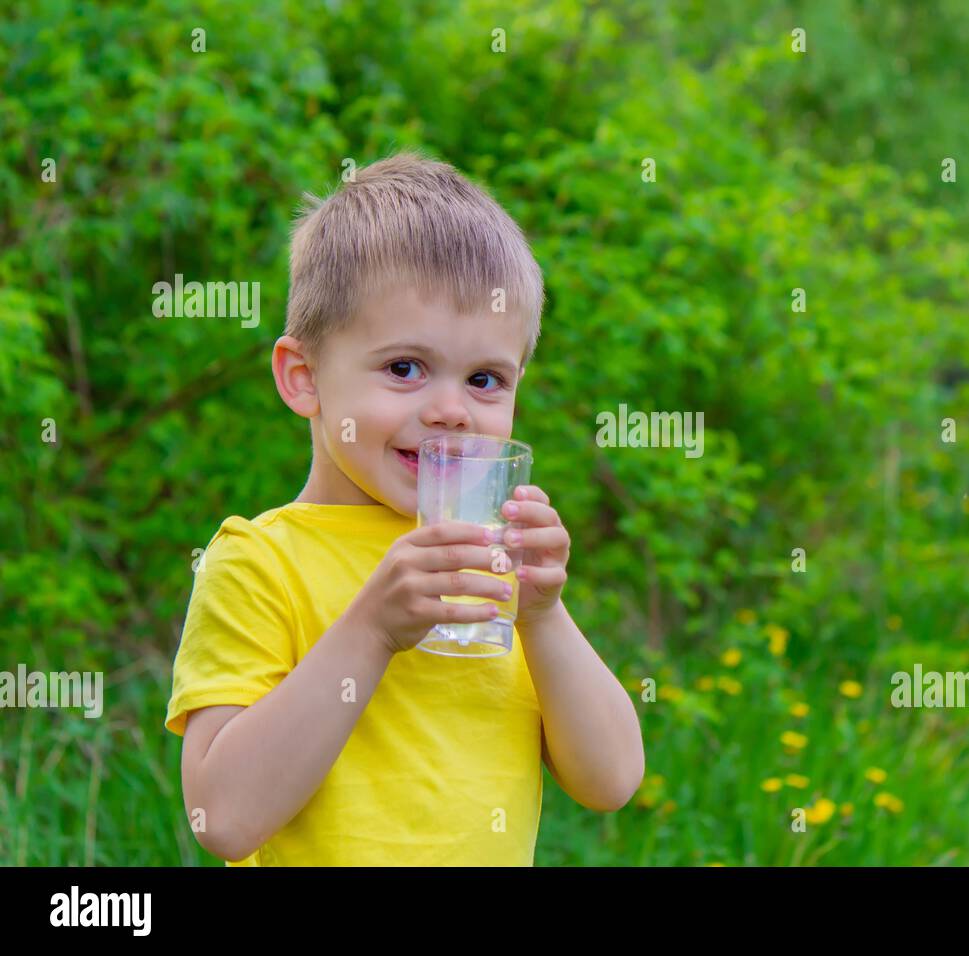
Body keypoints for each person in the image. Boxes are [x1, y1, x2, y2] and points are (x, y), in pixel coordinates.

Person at [164, 152, 644, 865]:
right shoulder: (260, 561)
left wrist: (542, 614)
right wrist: (374, 627)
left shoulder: (493, 568)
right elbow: (223, 817)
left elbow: (611, 781)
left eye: (484, 378)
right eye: (405, 369)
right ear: (304, 378)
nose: (450, 410)